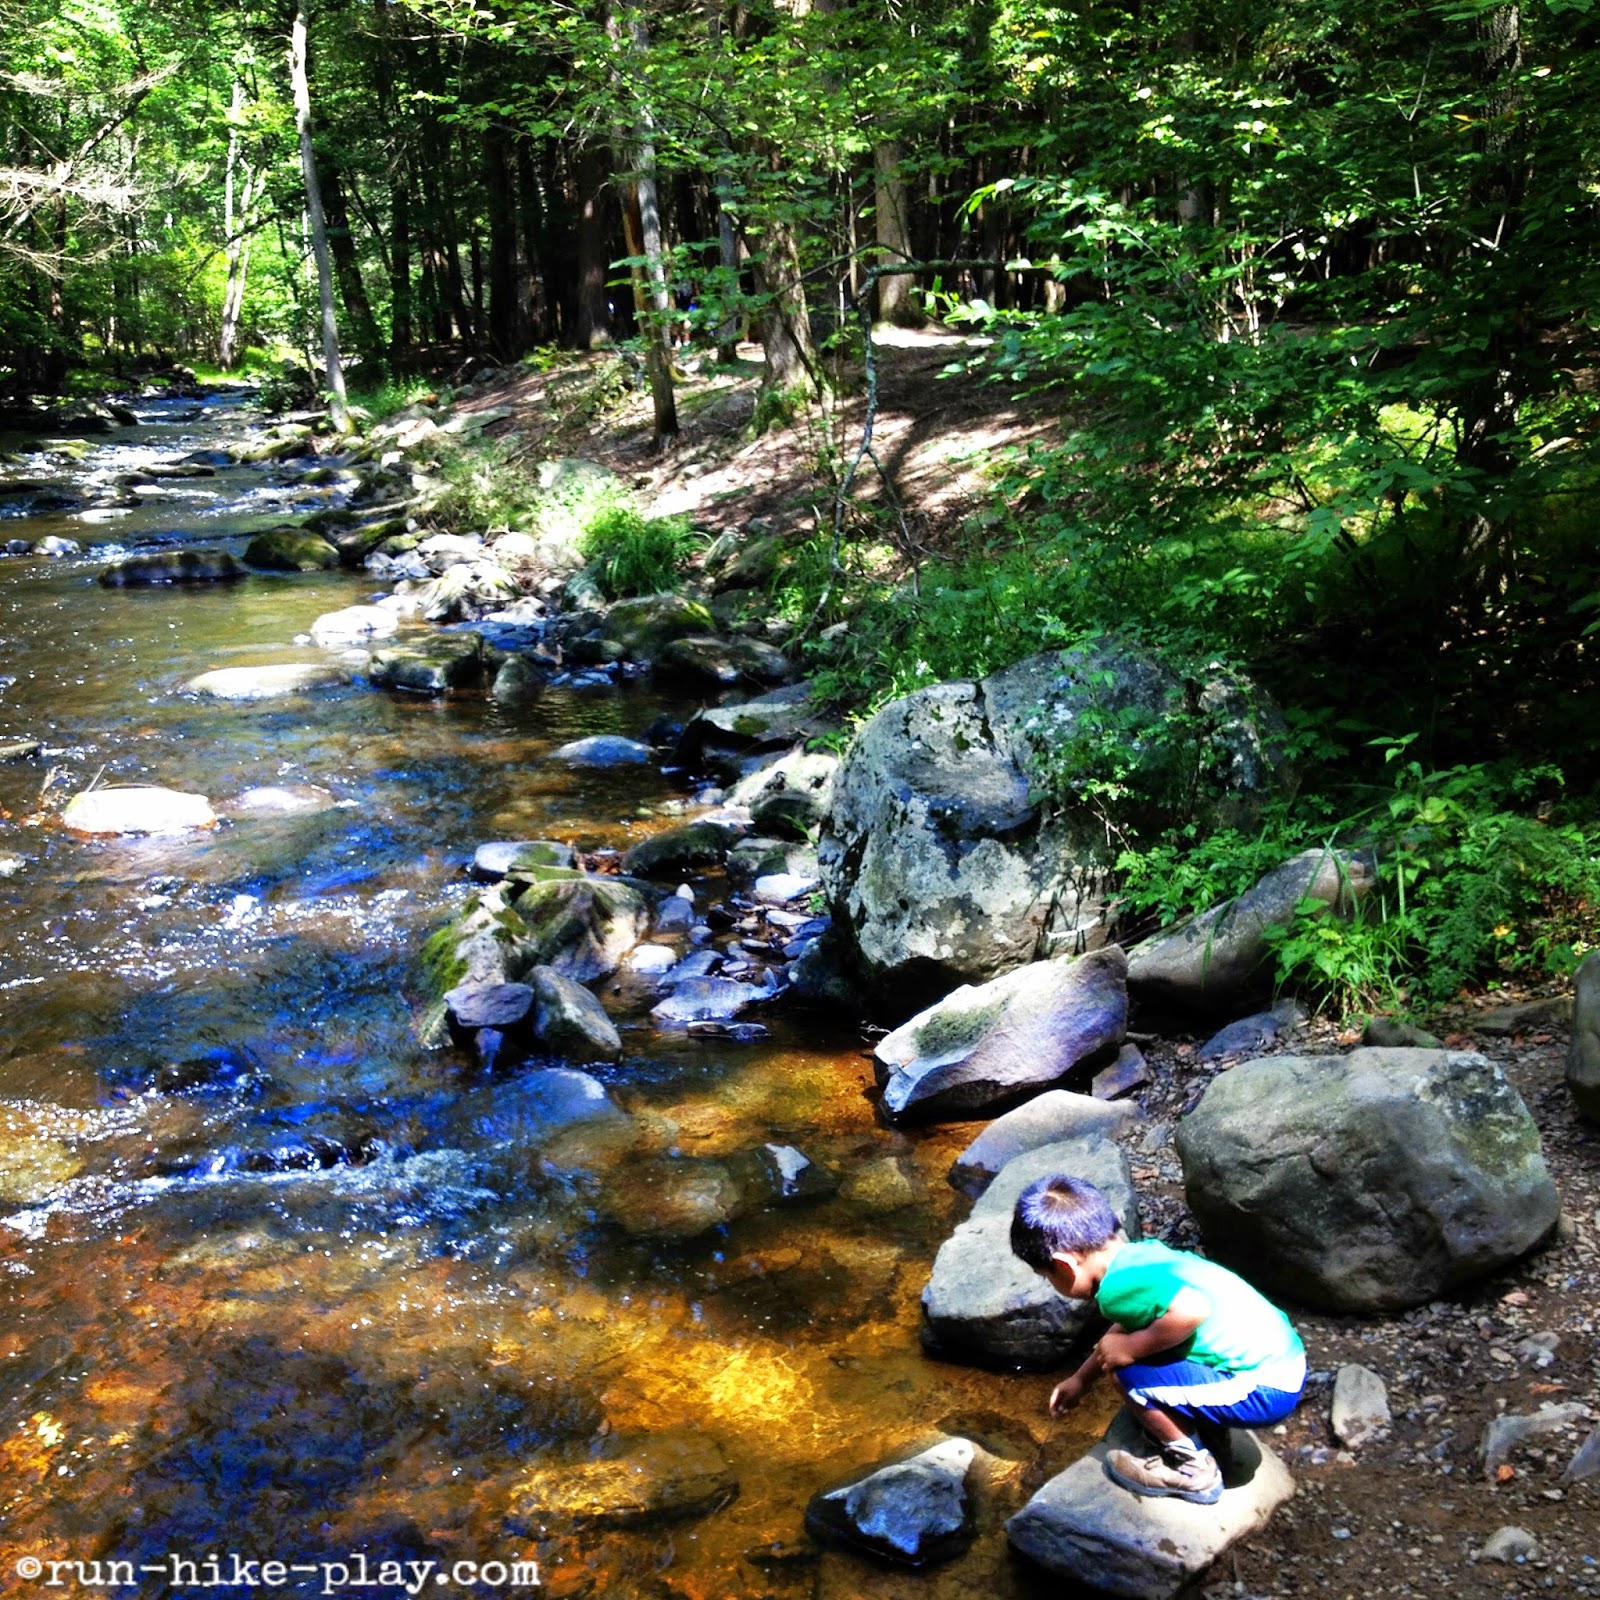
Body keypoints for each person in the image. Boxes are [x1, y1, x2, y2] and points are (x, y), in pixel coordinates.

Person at [1010, 1172, 1305, 1506]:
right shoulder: (1140, 1256)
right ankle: (1210, 1435)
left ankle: (1195, 1470)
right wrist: (1081, 1379)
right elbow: (1126, 1328)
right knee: (1130, 1352)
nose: (1051, 1283)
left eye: (1046, 1275)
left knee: (1128, 1373)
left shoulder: (1114, 1292)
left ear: (1064, 1266)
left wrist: (1130, 1350)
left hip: (1263, 1389)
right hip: (1285, 1362)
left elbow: (1191, 1310)